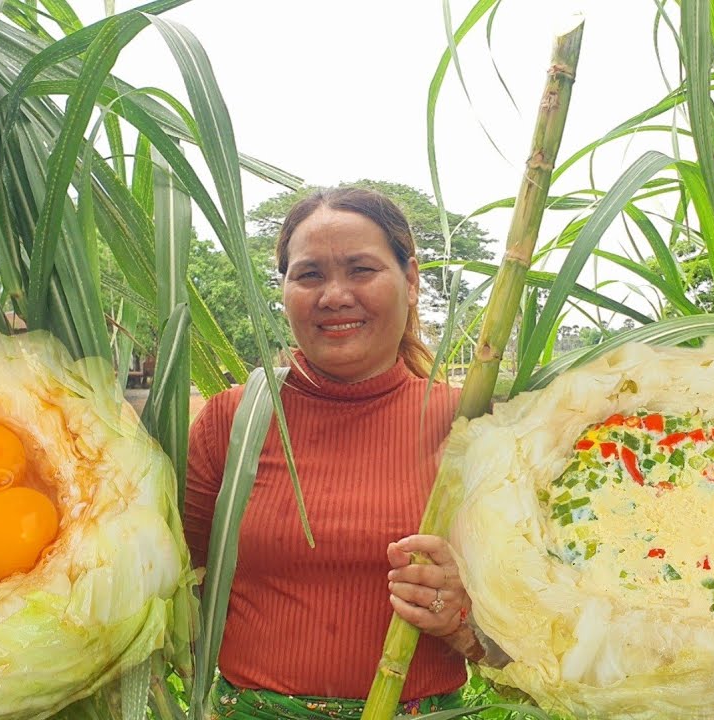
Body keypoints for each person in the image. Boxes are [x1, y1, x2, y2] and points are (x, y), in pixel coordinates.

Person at [184, 187, 494, 719]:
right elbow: (171, 587)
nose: (334, 295)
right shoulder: (234, 421)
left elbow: (525, 647)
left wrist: (462, 622)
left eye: (360, 270)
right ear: (282, 290)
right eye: (309, 275)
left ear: (412, 281)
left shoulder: (471, 427)